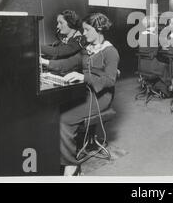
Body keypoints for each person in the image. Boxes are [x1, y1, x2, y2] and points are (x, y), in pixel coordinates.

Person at [41, 13, 119, 176]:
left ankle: (71, 166)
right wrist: (45, 62)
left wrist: (84, 77)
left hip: (101, 97)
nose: (83, 33)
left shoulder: (110, 52)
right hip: (84, 91)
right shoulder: (86, 49)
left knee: (65, 119)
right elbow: (68, 63)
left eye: (87, 30)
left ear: (98, 30)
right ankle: (58, 155)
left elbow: (110, 80)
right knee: (53, 111)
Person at [138, 16, 169, 97]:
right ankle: (165, 91)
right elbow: (155, 52)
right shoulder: (154, 36)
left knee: (162, 64)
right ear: (153, 25)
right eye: (155, 24)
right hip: (151, 66)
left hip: (142, 66)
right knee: (166, 66)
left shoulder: (141, 36)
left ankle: (158, 87)